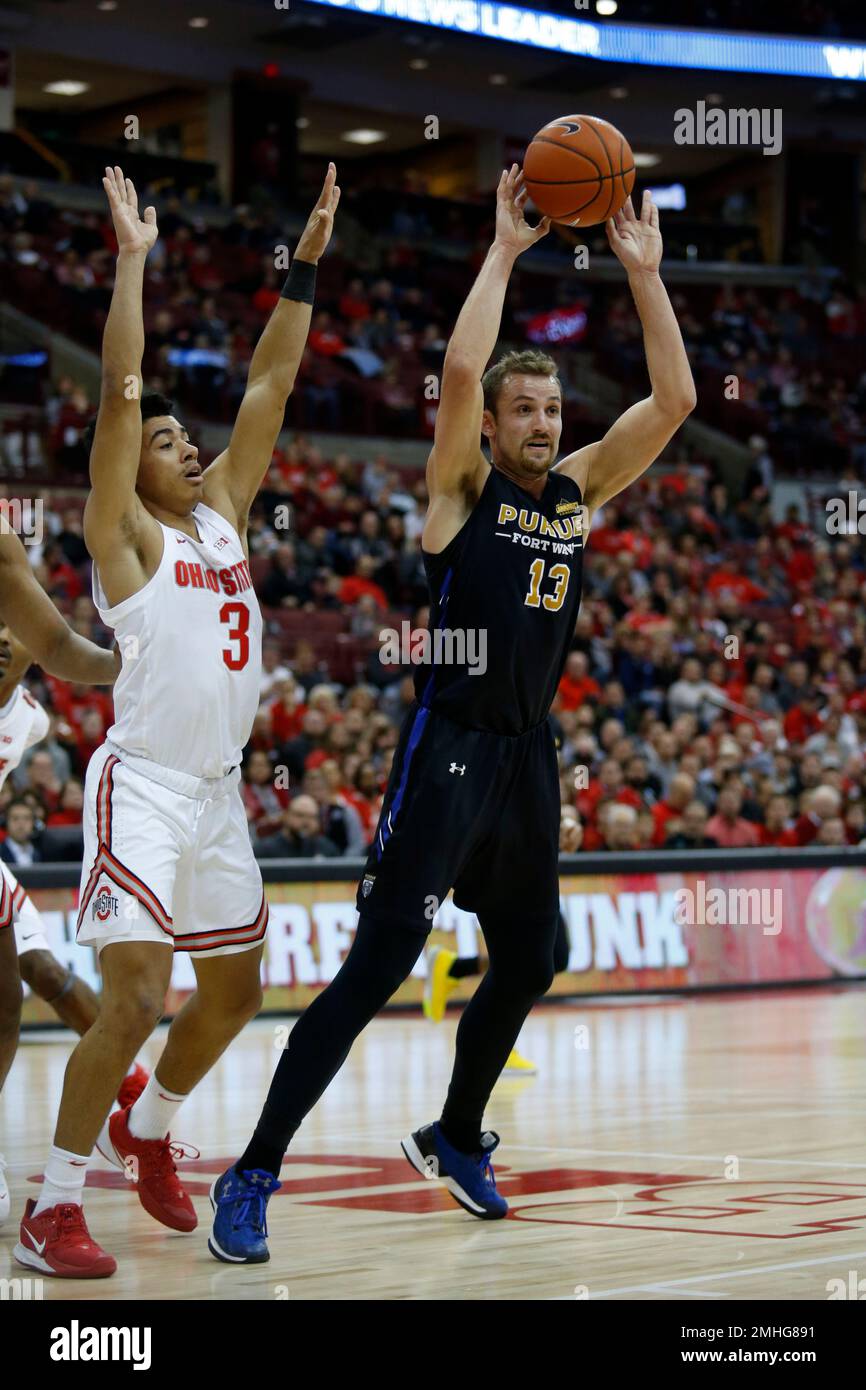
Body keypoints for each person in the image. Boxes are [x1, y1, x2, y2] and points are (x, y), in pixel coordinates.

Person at [208, 166, 694, 1260]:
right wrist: (504, 252)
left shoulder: (572, 496)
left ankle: (457, 1130)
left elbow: (673, 407)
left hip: (527, 757)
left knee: (532, 958)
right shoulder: (457, 495)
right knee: (374, 968)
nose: (535, 421)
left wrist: (642, 274)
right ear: (488, 427)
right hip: (448, 754)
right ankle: (252, 1171)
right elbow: (464, 364)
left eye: (548, 409)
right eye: (520, 410)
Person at [14, 162, 339, 1280]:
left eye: (185, 438)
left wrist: (303, 264)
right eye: (164, 443)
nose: (186, 447)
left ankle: (143, 1129)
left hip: (219, 792)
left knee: (242, 991)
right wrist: (135, 262)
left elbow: (271, 386)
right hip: (143, 784)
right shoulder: (129, 541)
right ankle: (51, 1207)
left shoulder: (224, 518)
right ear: (127, 470)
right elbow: (118, 387)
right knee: (139, 996)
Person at [0, 537, 119, 1228]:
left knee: (37, 974)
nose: (7, 640)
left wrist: (125, 662)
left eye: (17, 636)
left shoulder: (33, 720)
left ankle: (123, 1094)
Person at [422, 810, 581, 1075]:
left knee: (551, 958)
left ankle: (454, 968)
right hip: (506, 859)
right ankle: (498, 1049)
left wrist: (558, 824)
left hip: (529, 860)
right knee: (523, 965)